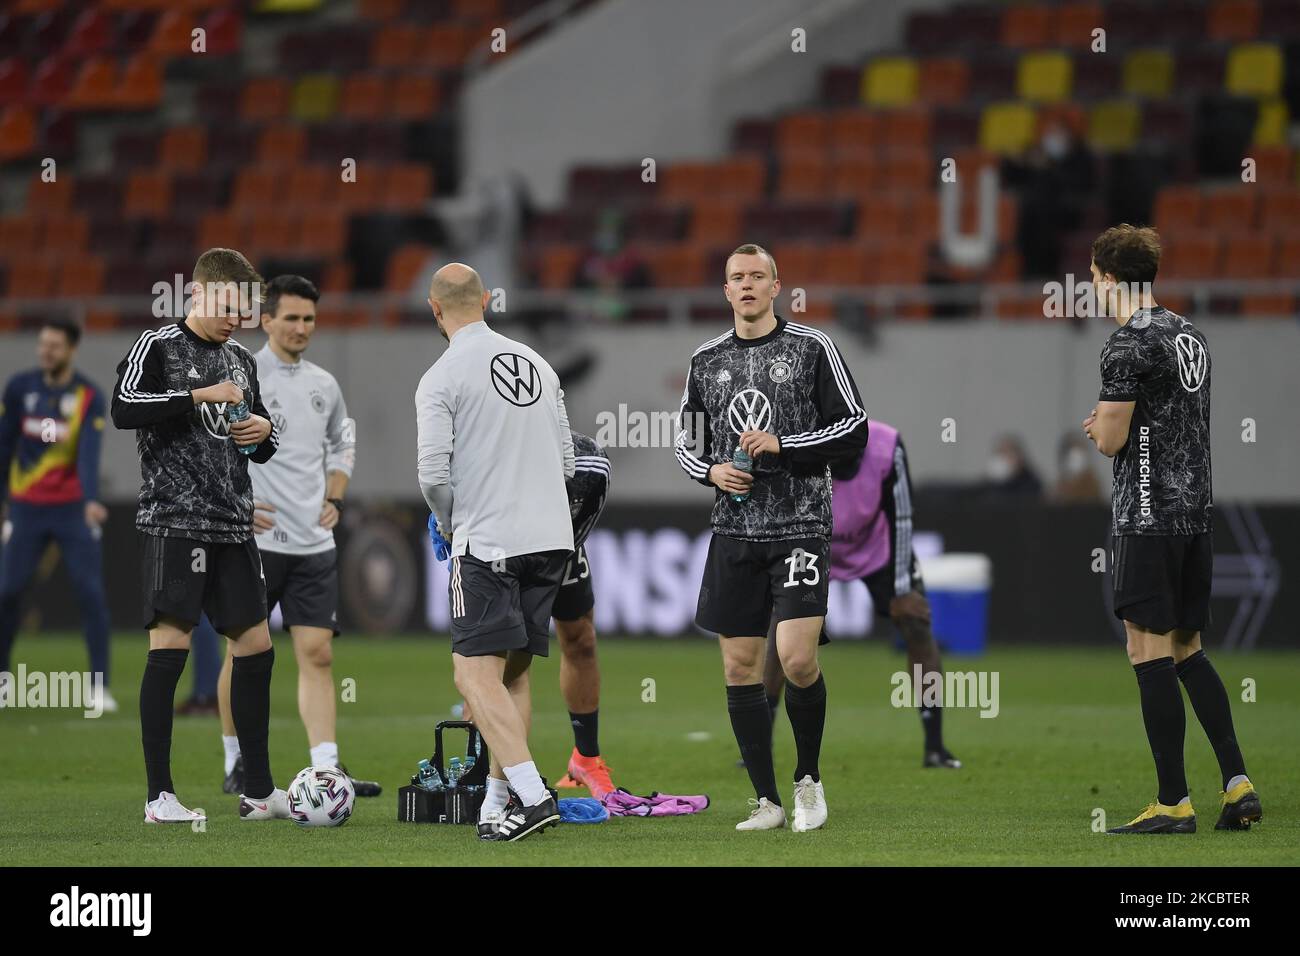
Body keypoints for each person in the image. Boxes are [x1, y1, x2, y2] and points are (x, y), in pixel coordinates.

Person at [675, 243, 868, 832]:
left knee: (796, 658)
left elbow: (853, 428)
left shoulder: (813, 348)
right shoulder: (706, 361)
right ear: (726, 290)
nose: (749, 285)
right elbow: (686, 441)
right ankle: (766, 800)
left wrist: (787, 446)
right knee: (739, 667)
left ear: (777, 285)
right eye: (738, 277)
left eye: (759, 276)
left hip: (801, 528)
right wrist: (710, 471)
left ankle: (807, 780)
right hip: (734, 532)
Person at [1083, 224, 1260, 834]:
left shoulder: (1126, 343)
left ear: (1106, 276)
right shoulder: (1192, 335)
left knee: (1146, 648)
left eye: (1093, 278)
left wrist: (1099, 428)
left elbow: (1112, 441)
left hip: (1148, 514)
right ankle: (1237, 784)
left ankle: (1172, 802)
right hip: (1196, 514)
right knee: (1188, 647)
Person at [111, 247, 289, 824]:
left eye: (244, 308)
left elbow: (255, 443)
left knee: (256, 646)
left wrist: (265, 433)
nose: (237, 318)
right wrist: (196, 395)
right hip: (175, 521)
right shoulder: (158, 345)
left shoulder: (242, 359)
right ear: (200, 293)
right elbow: (124, 407)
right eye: (230, 306)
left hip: (233, 523)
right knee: (171, 648)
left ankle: (258, 791)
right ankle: (159, 796)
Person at [415, 262, 575, 842]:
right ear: (485, 300)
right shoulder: (538, 363)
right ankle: (496, 801)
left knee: (472, 677)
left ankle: (533, 799)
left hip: (488, 544)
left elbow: (433, 474)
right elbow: (567, 464)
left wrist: (446, 522)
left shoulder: (440, 377)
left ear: (435, 309)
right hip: (551, 541)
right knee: (511, 677)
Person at [216, 275, 380, 799]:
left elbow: (342, 444)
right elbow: (213, 450)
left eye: (309, 318)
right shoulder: (243, 375)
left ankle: (327, 768)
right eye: (291, 317)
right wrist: (237, 505)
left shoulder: (324, 385)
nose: (302, 327)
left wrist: (334, 497)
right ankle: (236, 761)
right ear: (266, 321)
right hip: (255, 541)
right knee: (242, 654)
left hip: (313, 544)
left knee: (319, 655)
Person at [755, 419, 961, 769]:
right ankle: (759, 744)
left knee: (916, 624)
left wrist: (900, 589)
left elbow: (903, 516)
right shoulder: (794, 443)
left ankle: (935, 746)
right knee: (781, 632)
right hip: (813, 544)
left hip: (874, 547)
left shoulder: (887, 445)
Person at [0, 320, 113, 712]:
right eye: (42, 344)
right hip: (26, 508)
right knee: (7, 592)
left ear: (71, 350)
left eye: (54, 345)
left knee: (90, 594)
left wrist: (90, 500)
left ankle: (99, 687)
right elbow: (4, 446)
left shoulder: (87, 396)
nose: (46, 351)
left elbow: (88, 454)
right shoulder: (18, 389)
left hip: (71, 509)